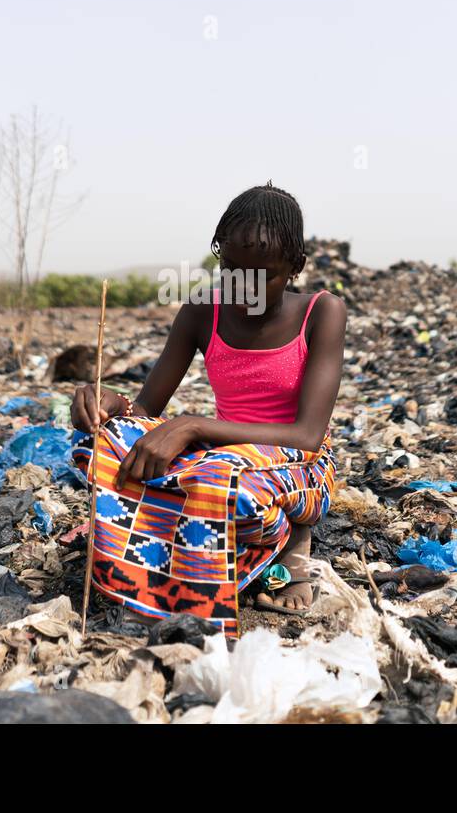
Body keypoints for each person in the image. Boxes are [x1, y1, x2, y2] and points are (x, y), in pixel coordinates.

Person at [70, 183, 347, 636]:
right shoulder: (202, 313)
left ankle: (290, 538)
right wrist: (109, 404)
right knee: (104, 446)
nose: (246, 289)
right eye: (234, 271)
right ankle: (189, 551)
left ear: (296, 267)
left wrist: (193, 425)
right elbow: (144, 409)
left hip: (299, 466)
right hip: (225, 454)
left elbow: (307, 435)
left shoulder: (322, 313)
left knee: (219, 477)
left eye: (266, 275)